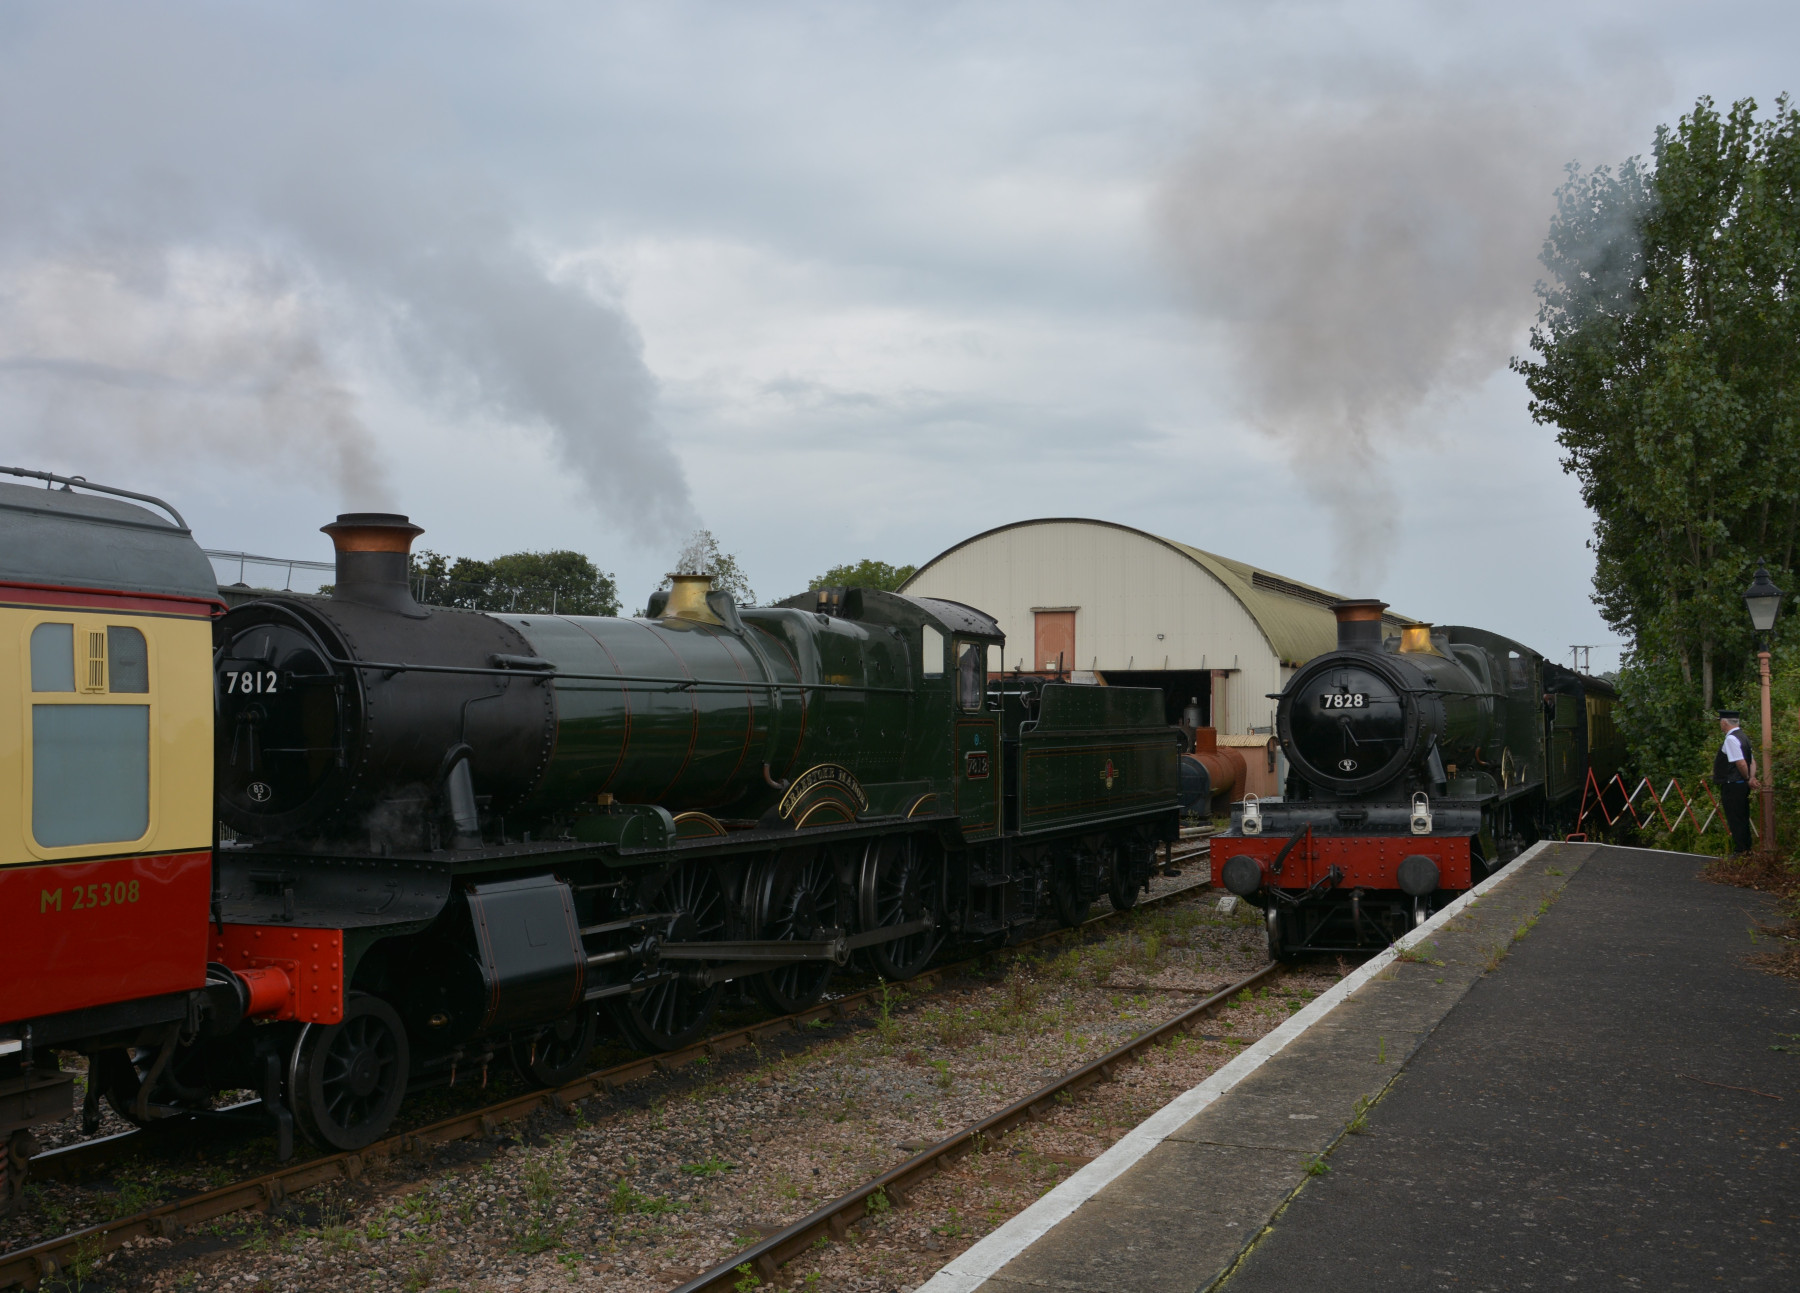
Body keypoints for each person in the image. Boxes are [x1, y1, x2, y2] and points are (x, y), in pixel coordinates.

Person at [1713, 710, 1760, 854]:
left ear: (1724, 722)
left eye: (1720, 722)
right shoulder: (1743, 737)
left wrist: (1746, 778)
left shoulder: (1731, 739)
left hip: (1733, 784)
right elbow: (1752, 761)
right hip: (1741, 784)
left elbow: (1741, 763)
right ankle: (1746, 848)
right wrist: (1751, 778)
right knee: (1743, 816)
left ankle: (1741, 850)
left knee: (1735, 817)